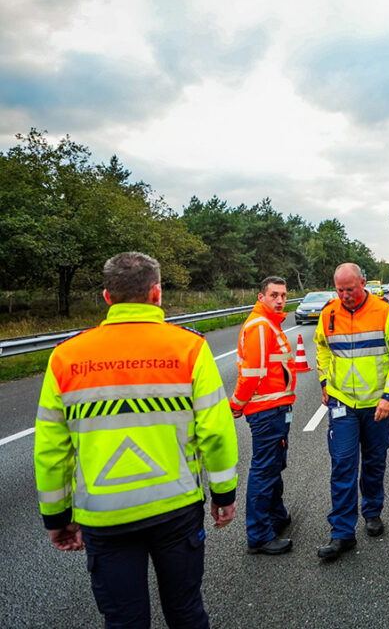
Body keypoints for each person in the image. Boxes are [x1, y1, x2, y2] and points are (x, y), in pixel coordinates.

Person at [34, 251, 239, 628]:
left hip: (104, 514)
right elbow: (216, 431)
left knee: (124, 620)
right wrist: (224, 495)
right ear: (156, 293)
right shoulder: (189, 348)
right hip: (176, 507)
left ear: (107, 297)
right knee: (186, 611)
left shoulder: (66, 357)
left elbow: (51, 451)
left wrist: (57, 517)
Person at [314, 263, 389, 560]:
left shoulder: (384, 312)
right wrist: (324, 380)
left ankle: (372, 511)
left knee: (374, 460)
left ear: (363, 284)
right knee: (343, 463)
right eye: (339, 290)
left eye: (350, 289)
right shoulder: (328, 314)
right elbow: (322, 347)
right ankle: (342, 533)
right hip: (342, 402)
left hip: (377, 404)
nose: (345, 295)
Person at [231, 275, 297, 554]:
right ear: (261, 297)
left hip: (275, 408)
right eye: (274, 295)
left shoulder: (269, 323)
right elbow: (252, 374)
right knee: (264, 470)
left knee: (272, 466)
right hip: (266, 410)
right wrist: (236, 404)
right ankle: (259, 534)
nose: (280, 300)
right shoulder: (260, 325)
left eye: (283, 295)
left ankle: (276, 516)